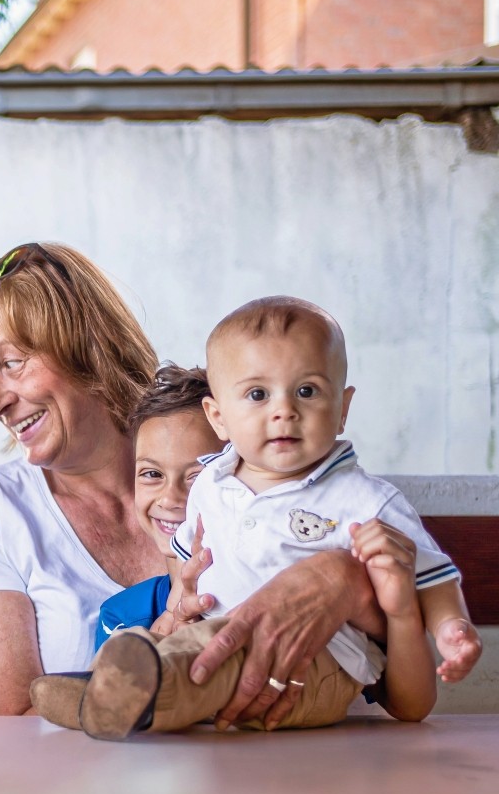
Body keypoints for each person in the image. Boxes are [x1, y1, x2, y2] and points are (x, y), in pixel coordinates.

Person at [0, 242, 386, 727]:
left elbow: (399, 661)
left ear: (86, 346)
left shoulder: (236, 451)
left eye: (11, 363)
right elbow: (16, 724)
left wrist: (343, 581)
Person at [77, 296, 476, 739]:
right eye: (258, 394)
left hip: (311, 665)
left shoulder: (365, 502)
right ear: (219, 416)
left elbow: (434, 580)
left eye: (307, 390)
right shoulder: (210, 486)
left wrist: (452, 628)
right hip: (214, 649)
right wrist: (175, 613)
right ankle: (86, 693)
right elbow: (186, 572)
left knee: (205, 657)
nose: (284, 410)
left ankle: (132, 693)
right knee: (143, 645)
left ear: (343, 409)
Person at [28, 364, 223, 728]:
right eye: (152, 474)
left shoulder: (264, 589)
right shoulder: (122, 614)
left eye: (198, 477)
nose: (171, 497)